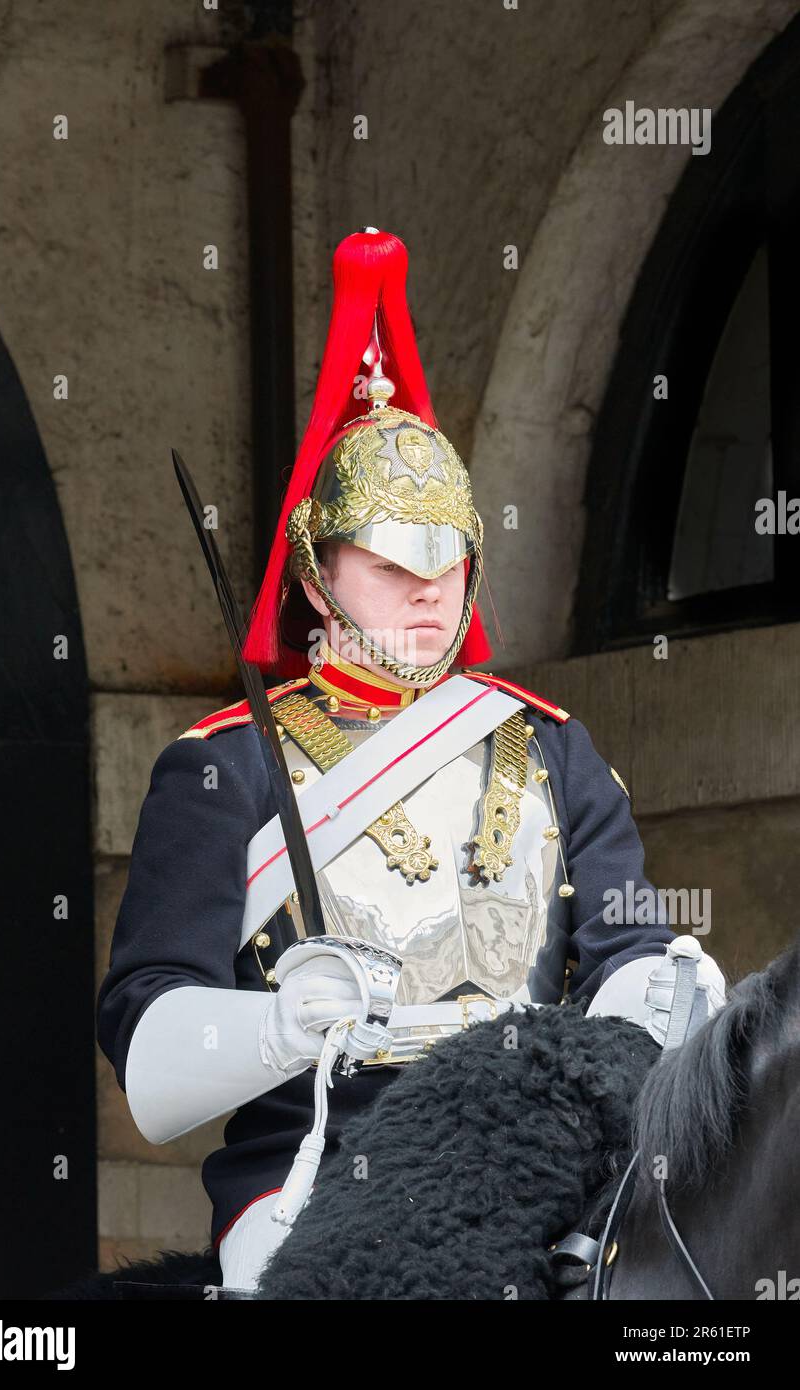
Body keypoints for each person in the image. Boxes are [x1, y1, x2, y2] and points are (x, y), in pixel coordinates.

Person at [96, 229, 725, 1294]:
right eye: (393, 562)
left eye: (450, 559)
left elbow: (623, 947)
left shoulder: (550, 743)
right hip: (326, 1161)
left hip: (547, 1154)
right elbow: (147, 1035)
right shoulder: (227, 766)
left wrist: (658, 987)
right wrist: (283, 1021)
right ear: (316, 571)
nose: (431, 589)